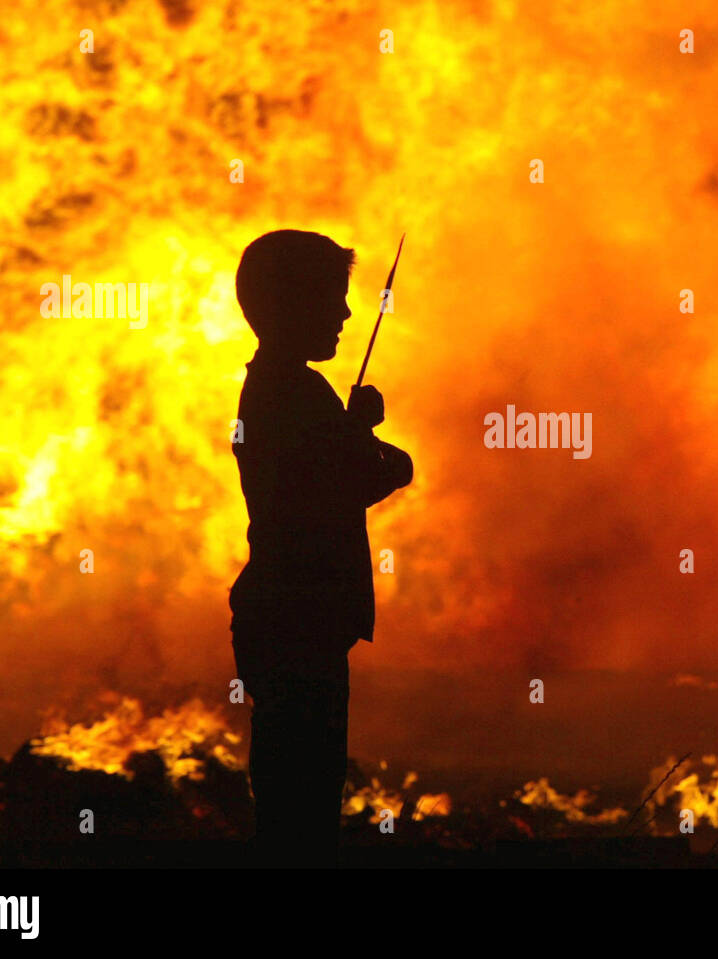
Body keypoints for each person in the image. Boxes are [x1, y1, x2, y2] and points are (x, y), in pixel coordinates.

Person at [229, 229, 413, 866]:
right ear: (291, 304)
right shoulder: (296, 394)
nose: (343, 314)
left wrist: (356, 434)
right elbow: (350, 481)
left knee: (291, 797)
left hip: (281, 620)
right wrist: (364, 432)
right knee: (302, 806)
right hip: (300, 623)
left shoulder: (277, 389)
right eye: (331, 299)